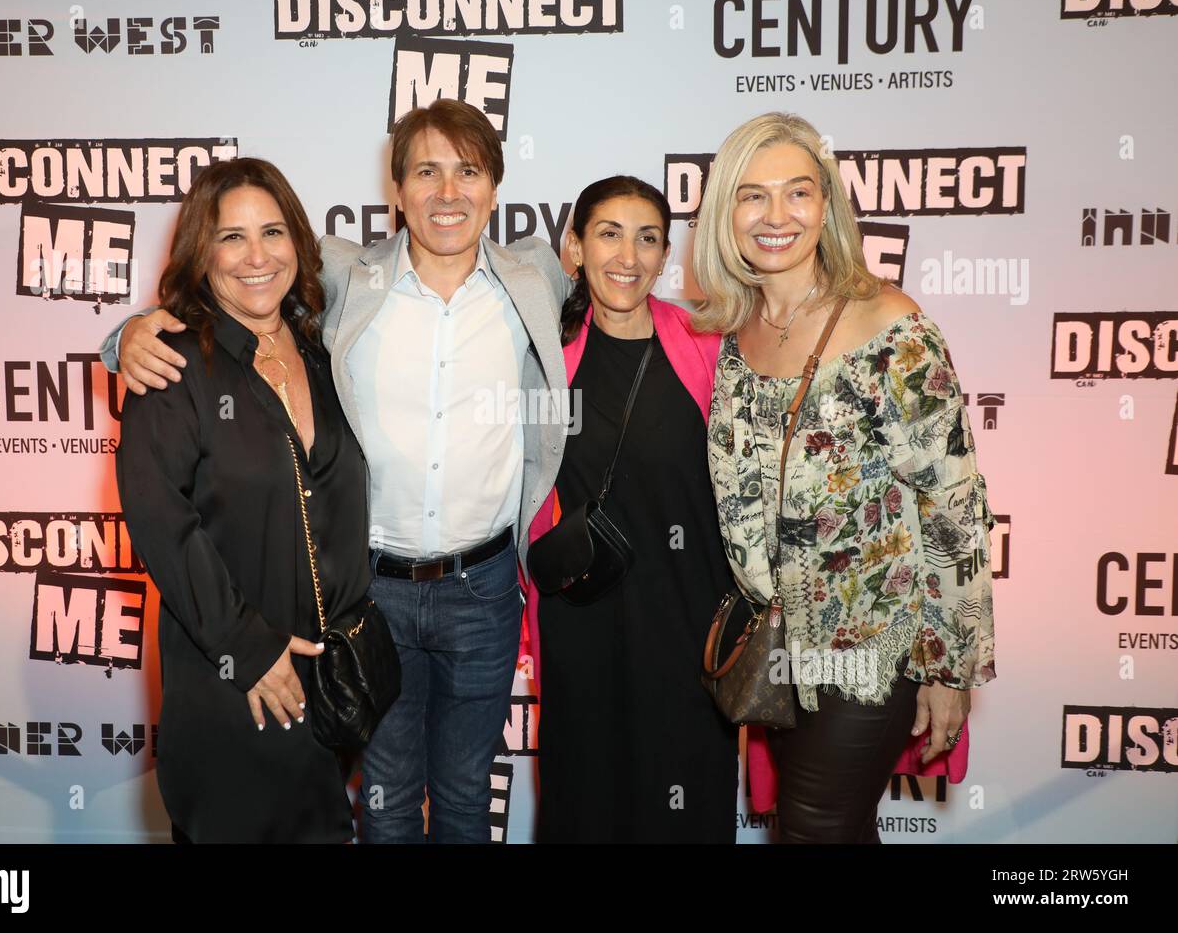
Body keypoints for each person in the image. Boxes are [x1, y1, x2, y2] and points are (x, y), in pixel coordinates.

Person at [102, 100, 571, 843]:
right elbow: (218, 313)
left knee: (463, 803)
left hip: (483, 592)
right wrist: (123, 336)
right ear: (396, 189)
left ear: (495, 185)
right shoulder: (350, 278)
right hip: (371, 599)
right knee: (381, 807)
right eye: (426, 171)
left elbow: (628, 292)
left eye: (468, 171)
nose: (447, 193)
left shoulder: (538, 277)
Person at [693, 112, 997, 843]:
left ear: (826, 205)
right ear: (725, 212)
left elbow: (953, 506)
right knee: (835, 827)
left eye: (797, 193)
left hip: (873, 643)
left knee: (814, 826)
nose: (776, 216)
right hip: (778, 645)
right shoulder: (734, 334)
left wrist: (949, 668)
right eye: (752, 195)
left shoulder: (890, 325)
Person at [115, 157, 371, 843]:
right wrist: (249, 649)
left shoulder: (324, 346)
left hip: (326, 685)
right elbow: (162, 525)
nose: (257, 257)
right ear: (201, 252)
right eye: (231, 237)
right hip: (236, 685)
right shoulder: (172, 364)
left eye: (273, 232)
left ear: (299, 243)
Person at [524, 177, 741, 842]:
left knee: (686, 795)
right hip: (581, 619)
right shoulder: (542, 356)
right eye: (609, 234)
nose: (628, 255)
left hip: (688, 621)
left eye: (648, 238)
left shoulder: (707, 342)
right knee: (585, 799)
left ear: (665, 253)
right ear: (575, 248)